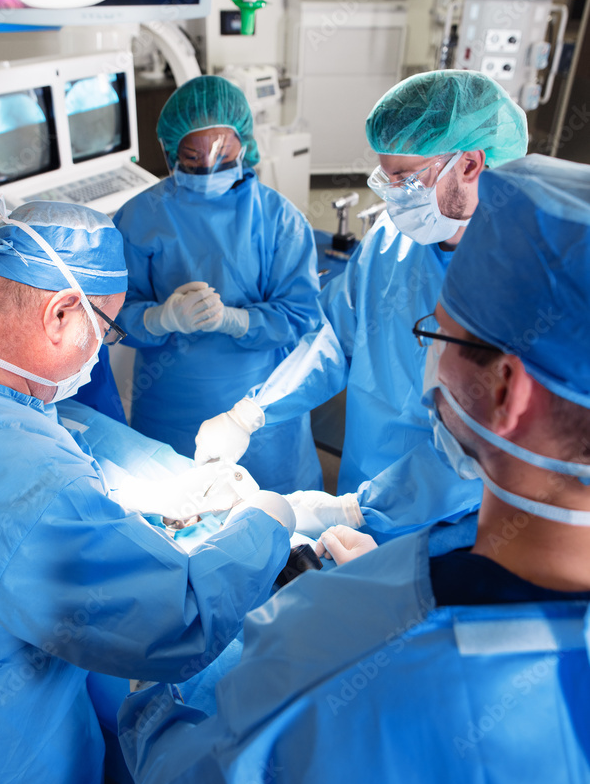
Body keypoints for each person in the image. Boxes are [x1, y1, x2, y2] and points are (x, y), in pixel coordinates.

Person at [119, 155, 590, 784]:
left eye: (437, 336)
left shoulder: (355, 677)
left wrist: (159, 676)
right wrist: (390, 573)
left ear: (507, 392)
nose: (426, 361)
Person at [0, 200, 295, 784]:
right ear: (61, 311)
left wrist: (142, 501)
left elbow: (20, 495)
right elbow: (173, 620)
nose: (101, 352)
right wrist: (268, 522)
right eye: (107, 329)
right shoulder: (21, 471)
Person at [195, 70, 528, 541]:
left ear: (470, 165)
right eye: (385, 176)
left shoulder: (523, 281)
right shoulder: (392, 241)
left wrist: (354, 510)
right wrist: (252, 413)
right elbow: (335, 340)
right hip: (362, 482)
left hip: (449, 525)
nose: (392, 194)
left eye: (406, 179)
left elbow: (477, 451)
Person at [112, 75, 322, 494]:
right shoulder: (141, 217)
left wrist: (235, 321)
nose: (207, 166)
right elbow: (111, 315)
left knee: (278, 525)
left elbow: (300, 316)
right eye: (192, 156)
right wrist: (157, 317)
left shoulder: (280, 220)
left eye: (221, 153)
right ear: (171, 151)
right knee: (177, 515)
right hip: (172, 406)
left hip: (259, 410)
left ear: (244, 144)